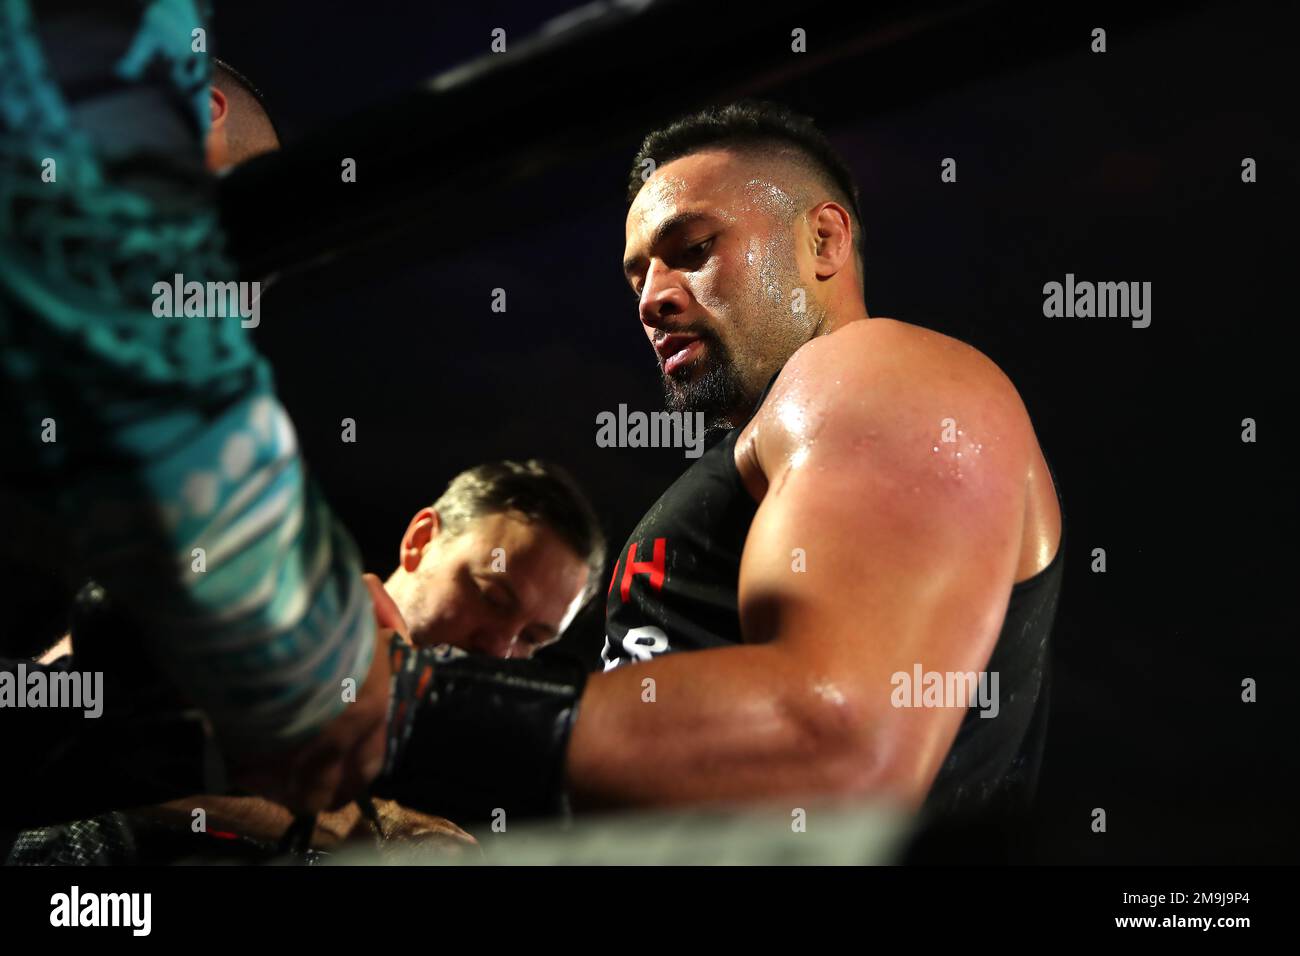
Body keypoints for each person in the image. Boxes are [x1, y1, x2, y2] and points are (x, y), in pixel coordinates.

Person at [368, 100, 1065, 827]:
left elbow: (838, 742)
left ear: (822, 240)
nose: (651, 300)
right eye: (636, 277)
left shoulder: (882, 371)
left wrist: (410, 704)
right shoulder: (782, 442)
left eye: (693, 249)